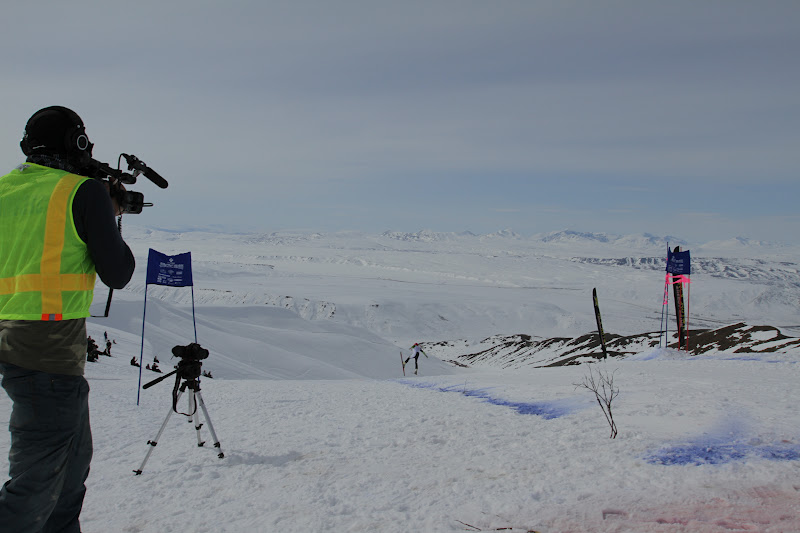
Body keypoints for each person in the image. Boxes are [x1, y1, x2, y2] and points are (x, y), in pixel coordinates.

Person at [0, 106, 136, 532]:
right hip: (49, 352)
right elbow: (119, 273)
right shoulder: (82, 192)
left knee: (71, 472)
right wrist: (109, 213)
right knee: (35, 486)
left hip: (16, 340)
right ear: (76, 143)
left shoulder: (6, 189)